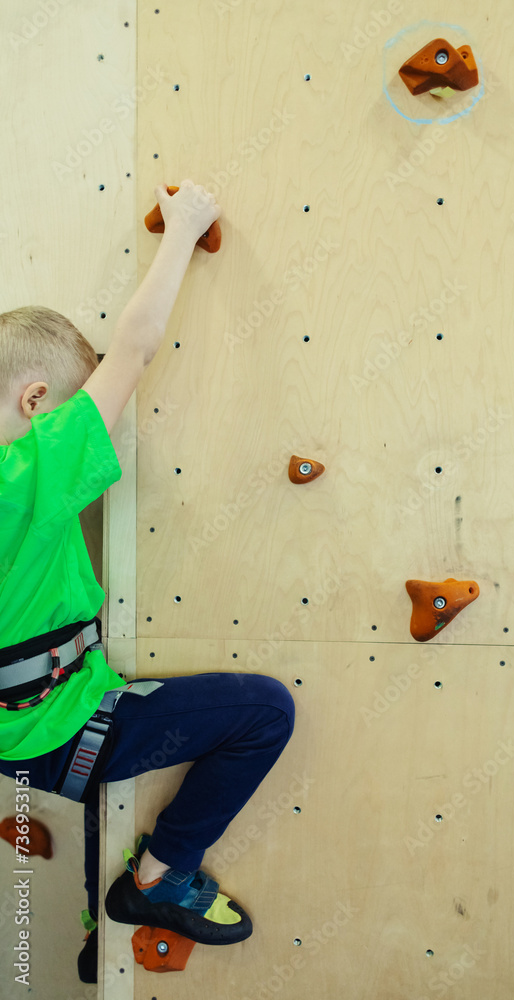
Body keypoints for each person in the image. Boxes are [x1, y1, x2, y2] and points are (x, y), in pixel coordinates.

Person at [0, 180, 296, 984]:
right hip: (63, 732)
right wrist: (184, 232)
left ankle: (99, 937)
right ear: (37, 403)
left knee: (102, 780)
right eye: (73, 410)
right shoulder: (25, 471)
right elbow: (133, 350)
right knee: (265, 712)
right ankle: (158, 877)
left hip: (21, 745)